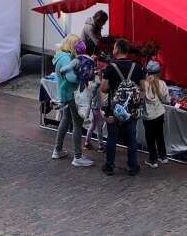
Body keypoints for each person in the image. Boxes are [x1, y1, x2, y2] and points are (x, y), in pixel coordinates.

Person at [100, 38, 145, 176]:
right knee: (132, 137)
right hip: (131, 109)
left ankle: (109, 166)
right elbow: (143, 88)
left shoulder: (110, 67)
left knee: (112, 136)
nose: (112, 50)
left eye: (114, 47)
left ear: (118, 49)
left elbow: (104, 88)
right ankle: (132, 166)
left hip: (114, 109)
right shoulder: (137, 67)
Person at [51, 34, 93, 167]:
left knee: (65, 120)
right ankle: (78, 157)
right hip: (72, 95)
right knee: (77, 124)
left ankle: (57, 150)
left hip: (65, 94)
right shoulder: (66, 59)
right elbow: (70, 77)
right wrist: (83, 77)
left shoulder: (61, 56)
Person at [141, 59, 170, 168]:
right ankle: (163, 157)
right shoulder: (162, 83)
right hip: (159, 113)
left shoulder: (144, 84)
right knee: (159, 135)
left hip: (148, 116)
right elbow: (167, 99)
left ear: (147, 72)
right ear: (158, 72)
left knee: (150, 138)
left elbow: (140, 98)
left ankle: (153, 160)